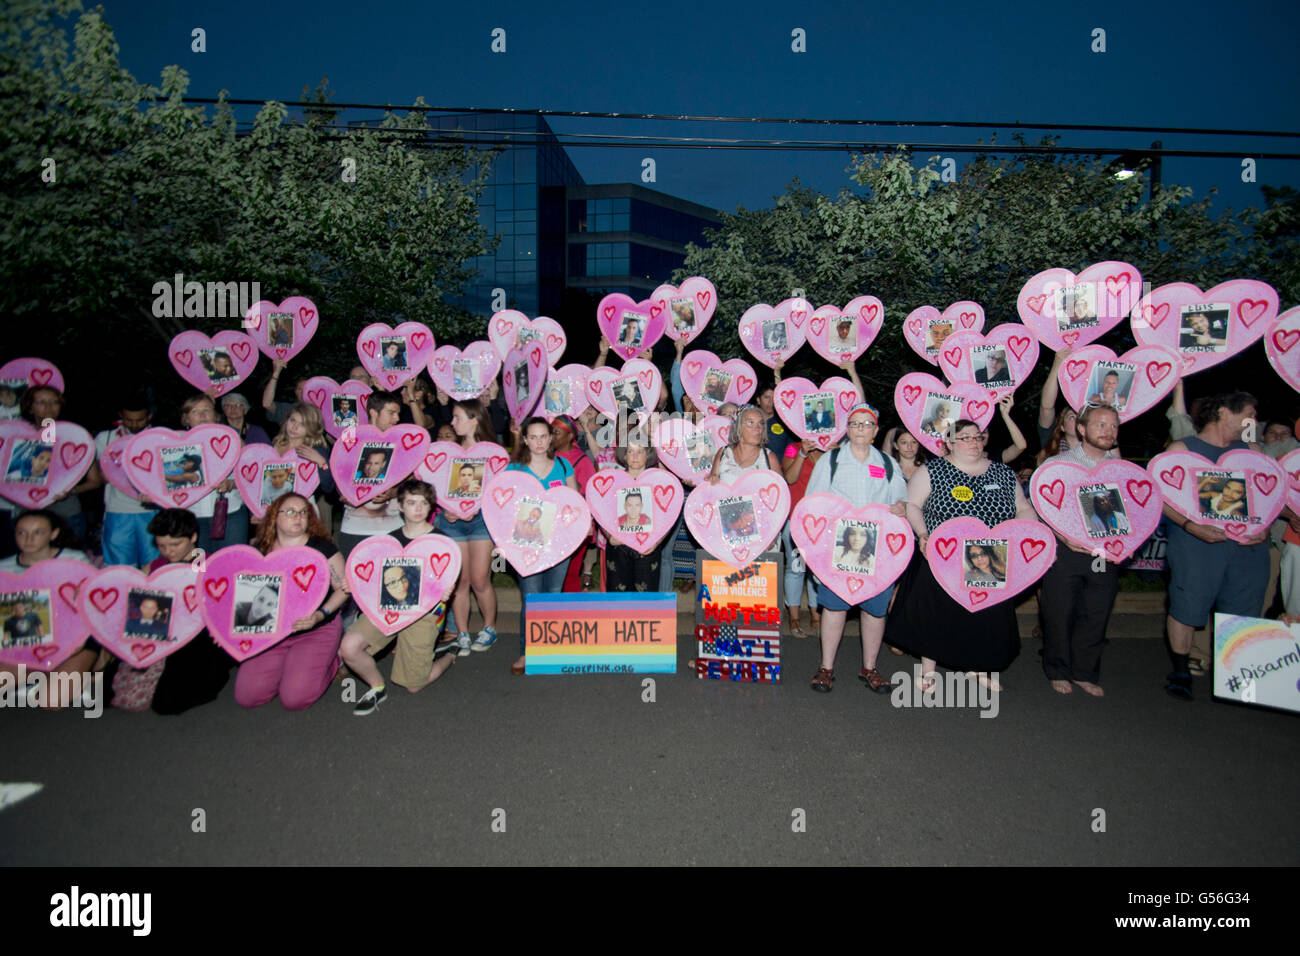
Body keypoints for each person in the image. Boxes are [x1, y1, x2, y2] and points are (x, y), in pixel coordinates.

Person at [887, 418, 1040, 693]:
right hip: (942, 555)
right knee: (937, 614)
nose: (973, 442)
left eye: (977, 437)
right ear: (949, 443)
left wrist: (1032, 532)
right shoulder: (933, 470)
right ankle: (928, 670)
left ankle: (976, 666)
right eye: (966, 437)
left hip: (990, 556)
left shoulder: (1002, 473)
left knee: (984, 614)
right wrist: (923, 534)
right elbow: (912, 505)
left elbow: (1024, 508)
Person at [1160, 392, 1269, 700]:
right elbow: (1163, 498)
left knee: (1243, 607)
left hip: (1247, 548)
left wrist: (1262, 525)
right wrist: (1191, 526)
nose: (1254, 421)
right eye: (1249, 414)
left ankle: (1235, 675)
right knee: (1187, 606)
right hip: (1197, 544)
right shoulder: (1183, 449)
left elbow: (1268, 495)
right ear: (1223, 412)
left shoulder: (1251, 450)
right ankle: (1181, 671)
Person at [805, 403, 909, 694]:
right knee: (835, 606)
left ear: (875, 431)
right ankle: (826, 668)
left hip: (877, 550)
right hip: (839, 546)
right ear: (847, 429)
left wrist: (901, 506)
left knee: (875, 610)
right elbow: (814, 501)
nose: (861, 428)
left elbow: (901, 497)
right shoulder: (832, 460)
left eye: (867, 424)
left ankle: (870, 668)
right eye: (855, 423)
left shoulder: (888, 463)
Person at [339, 480, 454, 716]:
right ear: (400, 506)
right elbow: (371, 580)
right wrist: (352, 583)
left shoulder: (441, 542)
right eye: (411, 503)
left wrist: (446, 590)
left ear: (430, 507)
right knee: (349, 648)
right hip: (387, 610)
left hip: (424, 613)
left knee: (414, 685)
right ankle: (377, 687)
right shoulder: (386, 542)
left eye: (423, 503)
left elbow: (448, 577)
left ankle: (449, 655)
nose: (418, 508)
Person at [233, 494, 349, 711]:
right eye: (290, 511)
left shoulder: (322, 549)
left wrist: (320, 615)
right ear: (274, 517)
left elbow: (343, 591)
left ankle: (333, 661)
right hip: (271, 633)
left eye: (303, 512)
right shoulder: (258, 551)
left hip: (316, 628)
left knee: (295, 699)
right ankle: (290, 668)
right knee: (248, 696)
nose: (298, 516)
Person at [0, 510, 100, 709]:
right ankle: (44, 671)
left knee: (51, 703)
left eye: (38, 532)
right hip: (24, 644)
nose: (28, 539)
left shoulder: (74, 560)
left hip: (75, 641)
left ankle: (100, 660)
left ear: (53, 534)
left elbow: (98, 603)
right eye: (22, 532)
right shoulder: (4, 568)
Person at [506, 417, 579, 674]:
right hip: (527, 543)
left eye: (543, 436)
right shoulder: (513, 468)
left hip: (559, 543)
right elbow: (503, 508)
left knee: (553, 595)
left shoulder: (563, 465)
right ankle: (527, 652)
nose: (538, 442)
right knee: (531, 597)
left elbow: (575, 503)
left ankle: (550, 648)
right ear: (525, 439)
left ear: (551, 438)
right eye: (533, 437)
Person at [435, 399, 500, 657]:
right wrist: (447, 509)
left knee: (480, 578)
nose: (452, 422)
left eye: (458, 417)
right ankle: (462, 632)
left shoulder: (492, 453)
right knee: (460, 581)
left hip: (482, 521)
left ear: (475, 419)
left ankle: (489, 628)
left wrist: (480, 506)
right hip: (452, 524)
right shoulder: (449, 453)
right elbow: (437, 486)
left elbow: (500, 489)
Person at [179, 394, 249, 555]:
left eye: (206, 410)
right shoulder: (175, 444)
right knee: (198, 568)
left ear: (216, 415)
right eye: (195, 411)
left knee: (231, 564)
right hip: (192, 516)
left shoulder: (232, 439)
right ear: (186, 418)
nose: (202, 415)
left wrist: (231, 484)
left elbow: (251, 474)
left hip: (230, 513)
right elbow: (170, 480)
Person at [336, 392, 403, 559]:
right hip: (354, 528)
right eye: (391, 413)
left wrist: (394, 493)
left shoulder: (401, 442)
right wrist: (343, 494)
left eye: (398, 413)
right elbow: (339, 476)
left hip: (392, 527)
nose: (396, 419)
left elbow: (412, 480)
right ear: (373, 412)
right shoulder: (352, 440)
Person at [551, 414, 596, 593]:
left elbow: (590, 497)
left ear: (570, 436)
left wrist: (588, 524)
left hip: (574, 526)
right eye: (551, 433)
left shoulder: (581, 461)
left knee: (570, 574)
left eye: (556, 433)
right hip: (550, 525)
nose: (552, 437)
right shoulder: (545, 458)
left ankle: (572, 617)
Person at [782, 436, 822, 637]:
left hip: (823, 522)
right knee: (797, 567)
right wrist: (803, 453)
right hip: (796, 519)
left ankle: (816, 613)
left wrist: (834, 454)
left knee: (819, 569)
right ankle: (794, 616)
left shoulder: (835, 451)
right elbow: (789, 478)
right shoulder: (793, 448)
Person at [709, 405, 781, 484]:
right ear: (737, 426)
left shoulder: (768, 458)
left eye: (761, 423)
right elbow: (712, 487)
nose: (757, 428)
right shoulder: (723, 454)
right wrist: (712, 480)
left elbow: (782, 492)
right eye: (750, 423)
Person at [260, 358, 311, 426]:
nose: (303, 392)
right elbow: (267, 404)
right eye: (300, 389)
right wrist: (276, 373)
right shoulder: (287, 409)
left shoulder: (320, 413)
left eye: (306, 389)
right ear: (295, 392)